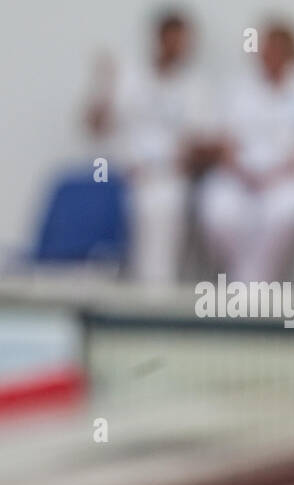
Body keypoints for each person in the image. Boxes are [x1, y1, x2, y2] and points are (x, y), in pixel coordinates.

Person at [197, 19, 294, 282]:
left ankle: (253, 285)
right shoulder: (241, 86)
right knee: (219, 209)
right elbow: (224, 140)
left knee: (280, 212)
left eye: (276, 48)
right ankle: (246, 281)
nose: (268, 55)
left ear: (291, 50)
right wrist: (241, 170)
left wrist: (280, 173)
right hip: (243, 177)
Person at [84, 8, 215, 283]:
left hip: (166, 175)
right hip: (119, 171)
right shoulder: (128, 75)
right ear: (158, 38)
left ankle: (155, 291)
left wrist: (181, 162)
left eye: (183, 40)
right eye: (173, 39)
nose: (179, 47)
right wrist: (102, 84)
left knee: (160, 206)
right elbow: (94, 126)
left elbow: (203, 144)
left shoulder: (195, 86)